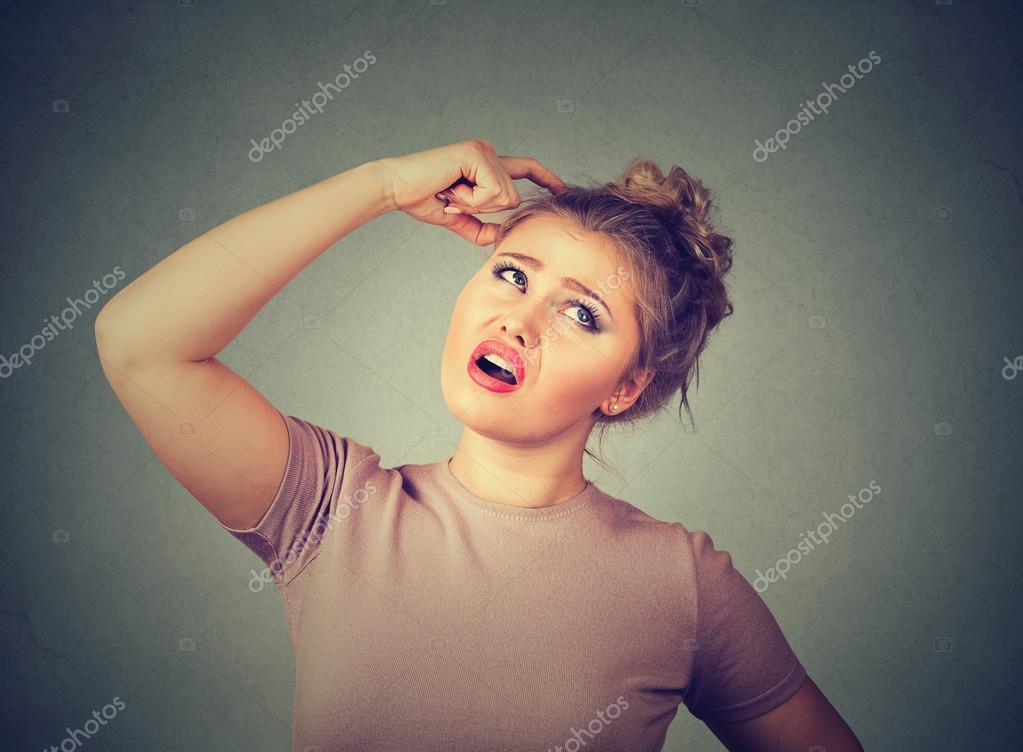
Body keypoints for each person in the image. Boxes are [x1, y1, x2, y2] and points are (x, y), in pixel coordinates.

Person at [95, 140, 864, 751]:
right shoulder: (330, 509)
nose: (518, 322)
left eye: (582, 315)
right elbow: (139, 343)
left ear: (625, 388)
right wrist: (384, 183)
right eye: (511, 275)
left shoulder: (683, 583)